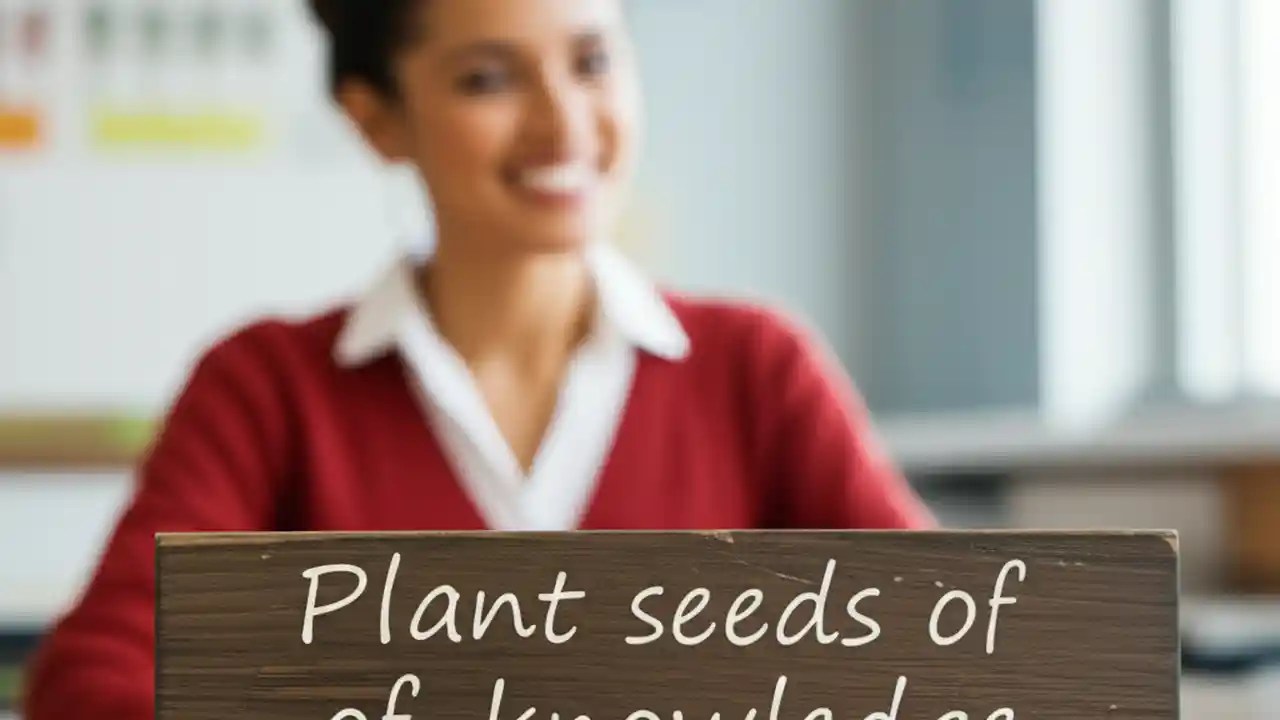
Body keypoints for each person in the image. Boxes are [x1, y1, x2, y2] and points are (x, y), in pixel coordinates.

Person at [21, 0, 934, 717]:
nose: (563, 123)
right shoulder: (268, 390)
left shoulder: (754, 370)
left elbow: (953, 648)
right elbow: (92, 684)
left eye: (592, 62)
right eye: (489, 79)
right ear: (377, 119)